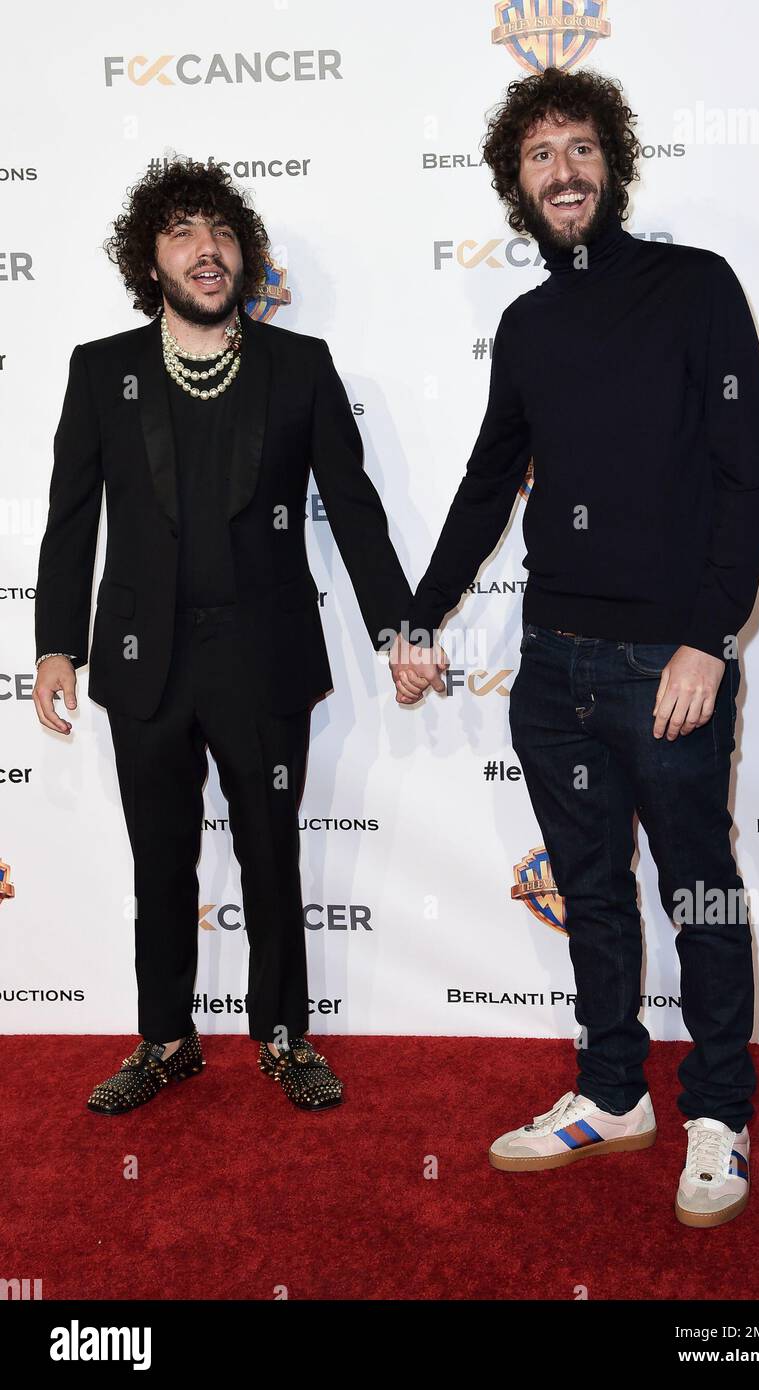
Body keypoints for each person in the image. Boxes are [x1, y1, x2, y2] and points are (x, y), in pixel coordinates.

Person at [391, 68, 759, 1227]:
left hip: (668, 664)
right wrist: (417, 611)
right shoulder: (528, 323)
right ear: (517, 184)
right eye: (539, 154)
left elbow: (742, 470)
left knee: (697, 888)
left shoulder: (693, 286)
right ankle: (613, 1091)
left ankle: (716, 1108)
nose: (562, 170)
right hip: (551, 668)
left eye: (579, 146)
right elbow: (485, 481)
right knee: (594, 892)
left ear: (612, 162)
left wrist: (708, 640)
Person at [34, 157, 420, 1115]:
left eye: (220, 232)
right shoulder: (102, 370)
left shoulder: (300, 367)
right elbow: (70, 518)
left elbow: (356, 511)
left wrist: (397, 626)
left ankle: (283, 1039)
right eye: (181, 233)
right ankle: (165, 1040)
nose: (205, 251)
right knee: (159, 856)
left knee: (270, 851)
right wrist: (56, 645)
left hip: (263, 657)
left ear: (241, 252)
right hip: (142, 662)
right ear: (150, 260)